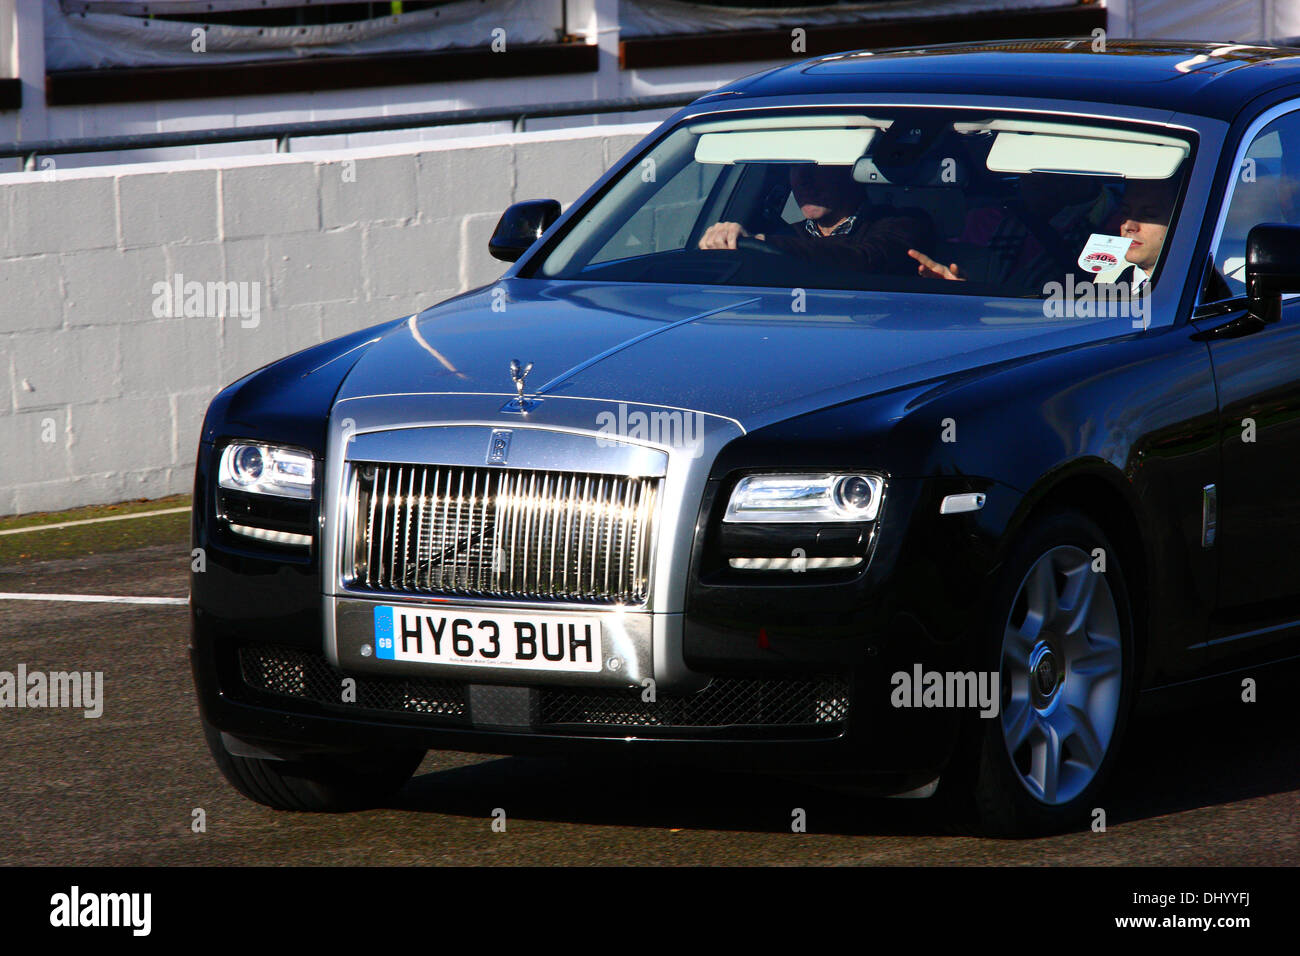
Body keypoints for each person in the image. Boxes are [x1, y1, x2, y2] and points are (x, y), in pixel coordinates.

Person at [697, 164, 931, 275]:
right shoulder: (784, 235)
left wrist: (763, 243)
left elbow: (864, 260)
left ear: (852, 170)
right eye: (796, 168)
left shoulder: (902, 223)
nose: (803, 180)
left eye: (816, 166)